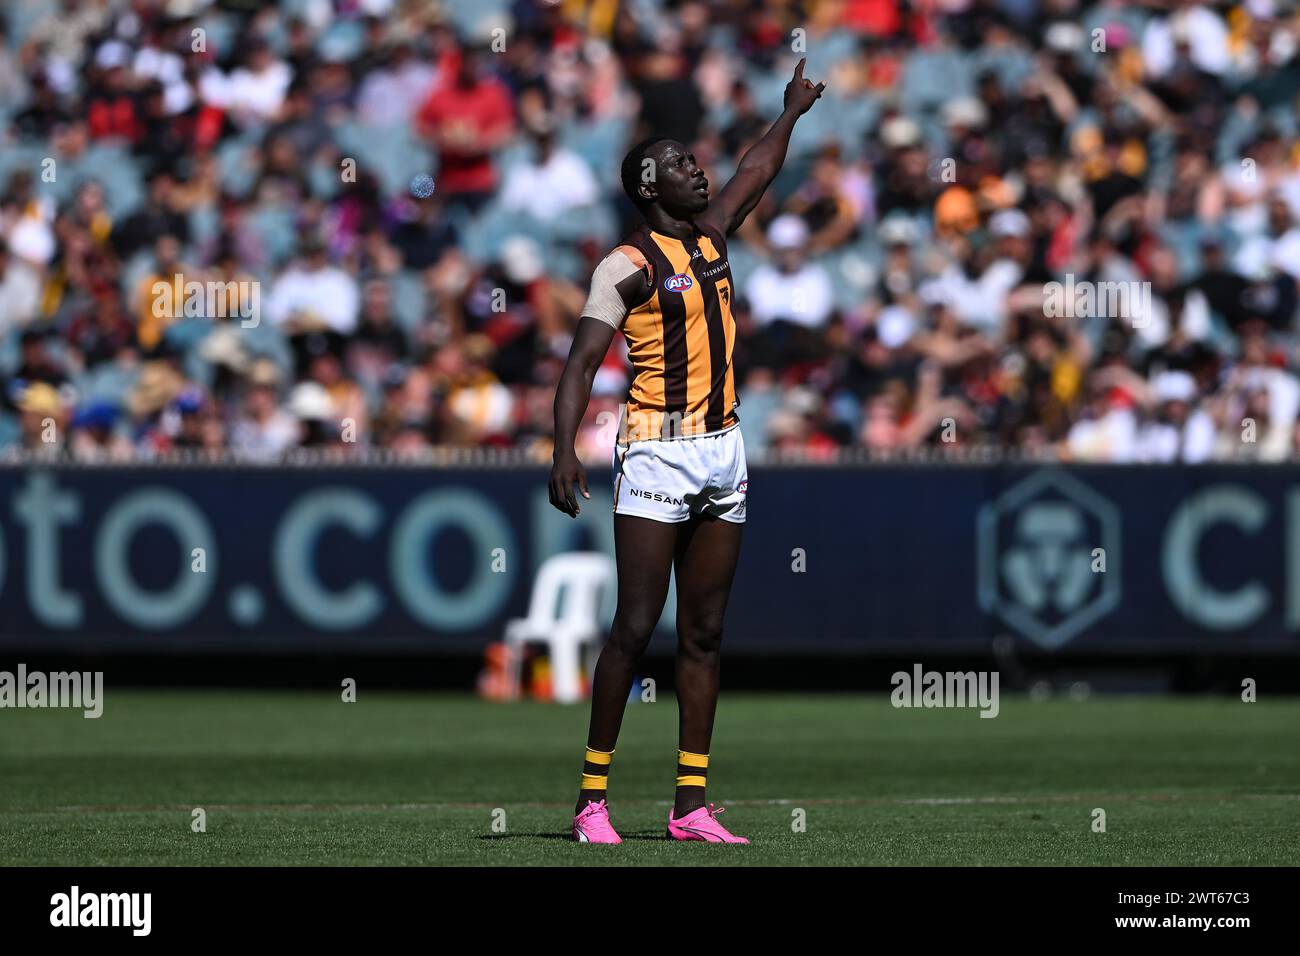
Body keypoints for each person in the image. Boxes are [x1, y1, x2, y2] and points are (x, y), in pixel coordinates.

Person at [549, 59, 825, 845]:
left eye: (692, 160)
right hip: (655, 454)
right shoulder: (624, 267)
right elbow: (579, 365)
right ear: (646, 186)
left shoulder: (711, 233)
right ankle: (593, 802)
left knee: (704, 634)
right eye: (677, 164)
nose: (695, 169)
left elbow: (756, 168)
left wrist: (791, 113)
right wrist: (563, 446)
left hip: (723, 449)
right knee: (633, 628)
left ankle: (690, 806)